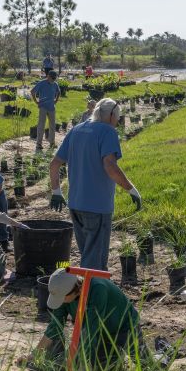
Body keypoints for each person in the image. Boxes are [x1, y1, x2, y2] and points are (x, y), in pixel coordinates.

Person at [49, 98, 141, 270]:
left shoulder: (76, 130)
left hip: (75, 205)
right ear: (111, 115)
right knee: (94, 264)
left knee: (87, 254)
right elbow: (110, 166)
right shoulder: (108, 132)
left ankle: (88, 284)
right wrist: (131, 189)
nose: (117, 121)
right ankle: (91, 287)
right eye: (118, 117)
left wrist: (56, 192)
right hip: (97, 207)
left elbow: (54, 164)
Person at [20, 268, 144, 371]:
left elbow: (91, 332)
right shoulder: (65, 296)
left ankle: (155, 370)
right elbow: (55, 327)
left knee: (144, 364)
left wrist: (75, 362)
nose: (60, 301)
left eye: (62, 298)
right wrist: (33, 355)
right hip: (100, 334)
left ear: (75, 289)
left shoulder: (97, 288)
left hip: (124, 327)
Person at [31, 69, 60, 151]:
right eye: (52, 78)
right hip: (43, 107)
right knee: (41, 125)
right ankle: (39, 144)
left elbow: (58, 92)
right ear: (48, 76)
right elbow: (32, 91)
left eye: (54, 78)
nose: (53, 80)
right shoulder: (41, 83)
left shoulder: (55, 84)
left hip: (51, 107)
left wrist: (56, 100)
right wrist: (36, 101)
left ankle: (52, 143)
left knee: (52, 126)